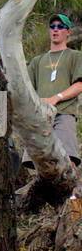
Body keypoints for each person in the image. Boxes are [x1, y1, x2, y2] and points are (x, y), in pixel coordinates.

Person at [25, 12, 82, 167]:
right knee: (39, 163)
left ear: (68, 31)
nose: (55, 30)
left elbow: (79, 85)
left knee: (68, 159)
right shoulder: (37, 61)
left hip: (63, 113)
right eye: (52, 26)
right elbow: (26, 88)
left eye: (60, 26)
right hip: (40, 116)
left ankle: (71, 191)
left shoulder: (75, 56)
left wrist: (57, 97)